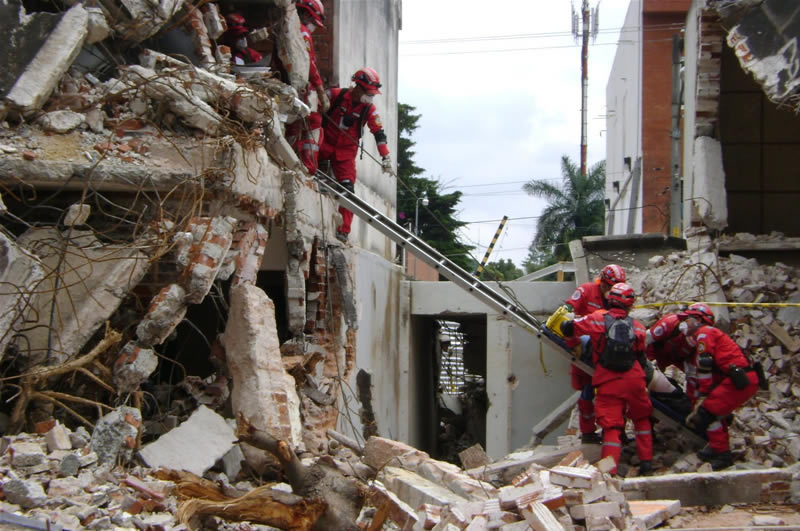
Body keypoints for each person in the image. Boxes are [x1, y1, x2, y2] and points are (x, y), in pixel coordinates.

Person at [560, 282, 653, 476]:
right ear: (630, 305)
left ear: (610, 300)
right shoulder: (638, 327)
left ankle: (609, 473)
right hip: (635, 379)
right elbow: (642, 357)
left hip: (608, 379)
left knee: (611, 427)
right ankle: (647, 464)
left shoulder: (597, 319)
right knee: (642, 419)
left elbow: (567, 327)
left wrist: (574, 344)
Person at [680, 303, 760, 470]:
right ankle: (717, 447)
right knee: (714, 413)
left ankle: (722, 454)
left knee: (707, 412)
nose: (685, 323)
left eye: (688, 319)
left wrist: (703, 392)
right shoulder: (710, 334)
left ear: (697, 320)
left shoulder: (704, 333)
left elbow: (705, 364)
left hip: (739, 380)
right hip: (739, 379)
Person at [319, 67, 392, 242]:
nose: (370, 97)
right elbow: (316, 107)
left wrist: (385, 157)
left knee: (348, 191)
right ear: (358, 87)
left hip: (345, 154)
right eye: (368, 93)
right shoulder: (335, 95)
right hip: (323, 145)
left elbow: (378, 132)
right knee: (310, 172)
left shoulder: (369, 109)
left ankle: (343, 230)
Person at [560, 264, 627, 444]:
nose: (610, 291)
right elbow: (565, 316)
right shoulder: (586, 291)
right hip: (587, 352)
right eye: (608, 287)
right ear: (602, 283)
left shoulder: (618, 299)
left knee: (613, 394)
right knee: (587, 393)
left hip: (608, 356)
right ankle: (589, 432)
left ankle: (615, 430)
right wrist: (574, 343)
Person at [287, 0, 329, 174]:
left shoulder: (288, 27)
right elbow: (309, 64)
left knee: (294, 127)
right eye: (313, 21)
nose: (313, 26)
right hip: (300, 88)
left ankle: (289, 162)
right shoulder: (303, 33)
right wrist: (320, 91)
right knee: (312, 123)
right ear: (305, 15)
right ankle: (307, 169)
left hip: (290, 86)